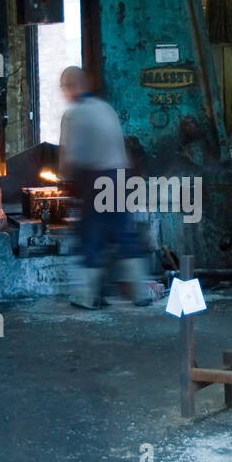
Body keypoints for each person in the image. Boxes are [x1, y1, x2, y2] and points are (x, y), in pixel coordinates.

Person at [57, 66, 151, 308]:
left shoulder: (75, 115)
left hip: (95, 178)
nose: (64, 93)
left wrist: (63, 179)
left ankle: (88, 297)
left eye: (65, 87)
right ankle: (141, 293)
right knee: (124, 233)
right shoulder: (106, 108)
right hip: (120, 176)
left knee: (89, 235)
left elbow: (72, 158)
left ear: (71, 87)